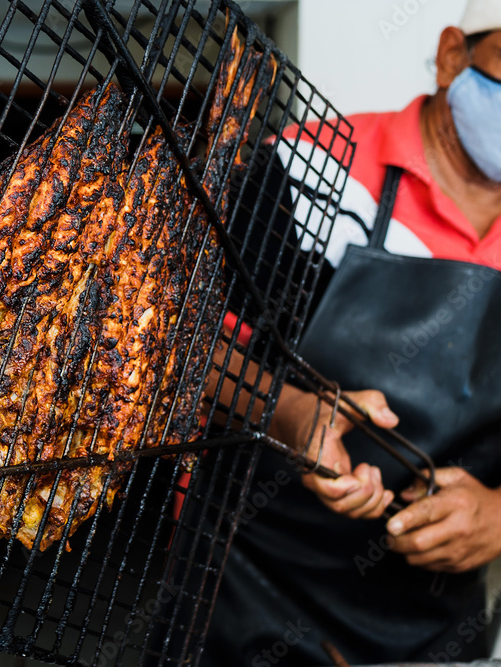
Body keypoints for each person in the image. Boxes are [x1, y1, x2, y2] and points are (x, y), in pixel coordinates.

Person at [203, 1, 501, 664]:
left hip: (435, 629)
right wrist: (289, 410)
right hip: (250, 597)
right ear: (454, 56)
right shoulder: (311, 169)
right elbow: (184, 345)